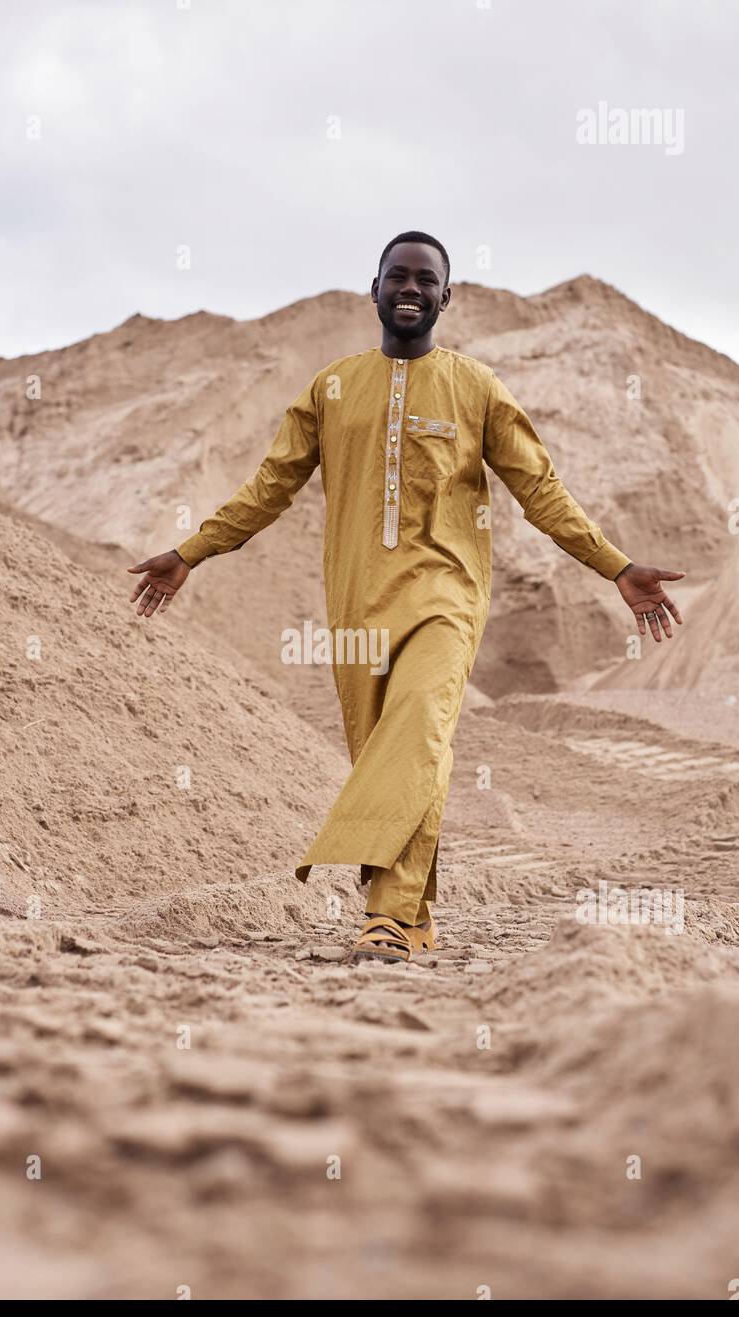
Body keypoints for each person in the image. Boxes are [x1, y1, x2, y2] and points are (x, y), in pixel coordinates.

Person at [129, 231, 685, 964]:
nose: (412, 288)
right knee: (392, 758)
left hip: (446, 599)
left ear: (447, 298)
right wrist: (190, 552)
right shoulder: (330, 390)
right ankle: (414, 917)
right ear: (375, 289)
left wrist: (614, 565)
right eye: (399, 276)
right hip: (357, 608)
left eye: (428, 279)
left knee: (419, 727)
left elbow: (539, 489)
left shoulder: (479, 388)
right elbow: (269, 488)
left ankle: (382, 914)